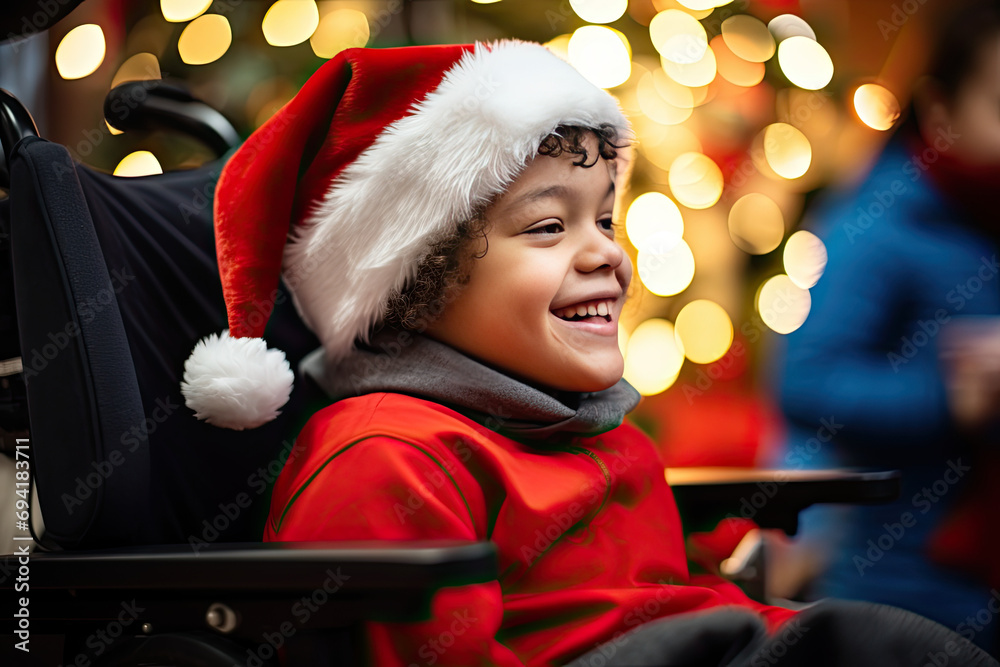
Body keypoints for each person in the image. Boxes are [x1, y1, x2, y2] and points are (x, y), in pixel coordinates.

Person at [179, 41, 999, 666]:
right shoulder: (390, 458)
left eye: (604, 218)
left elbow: (633, 583)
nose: (606, 252)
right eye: (548, 226)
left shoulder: (580, 427)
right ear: (414, 282)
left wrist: (726, 562)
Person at [774, 0, 1000, 654]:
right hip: (906, 594)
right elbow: (806, 380)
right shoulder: (883, 223)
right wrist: (948, 400)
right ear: (942, 113)